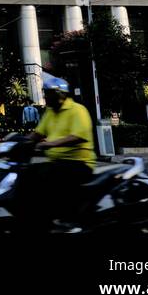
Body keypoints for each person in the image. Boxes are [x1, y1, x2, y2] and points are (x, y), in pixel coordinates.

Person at [22, 75, 97, 230]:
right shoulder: (50, 112)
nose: (45, 97)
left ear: (60, 95)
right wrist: (18, 142)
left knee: (49, 176)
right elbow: (37, 133)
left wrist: (50, 144)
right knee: (27, 174)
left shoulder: (78, 110)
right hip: (57, 162)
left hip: (80, 163)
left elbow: (77, 136)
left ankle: (68, 219)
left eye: (48, 93)